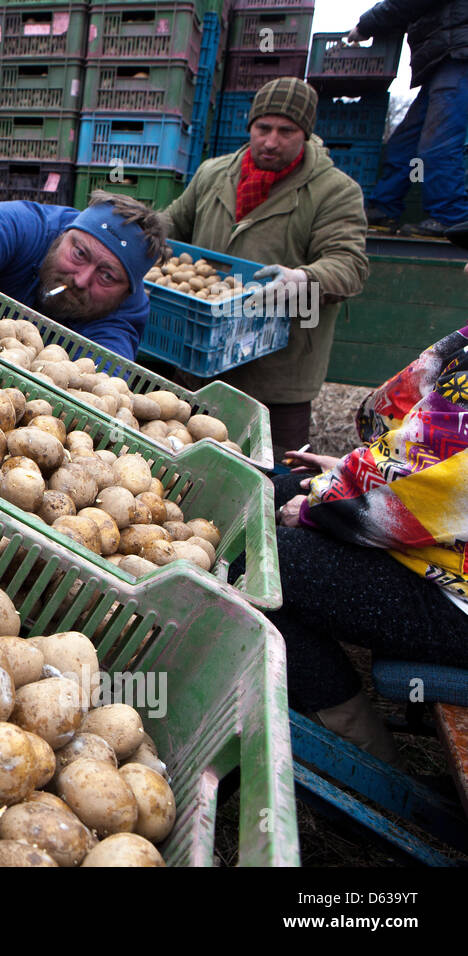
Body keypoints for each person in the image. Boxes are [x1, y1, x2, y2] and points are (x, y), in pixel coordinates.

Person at [244, 219, 468, 764]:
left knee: (273, 565)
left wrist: (327, 506)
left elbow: (441, 484)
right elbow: (403, 429)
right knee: (272, 491)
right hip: (449, 550)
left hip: (457, 595)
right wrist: (347, 473)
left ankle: (365, 762)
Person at [163, 77, 370, 462]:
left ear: (306, 134)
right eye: (263, 128)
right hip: (200, 359)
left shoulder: (335, 191)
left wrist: (305, 279)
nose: (271, 141)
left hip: (277, 372)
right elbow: (173, 222)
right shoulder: (214, 173)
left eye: (286, 131)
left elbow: (350, 264)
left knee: (271, 470)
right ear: (250, 126)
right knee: (180, 456)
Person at [0, 191, 168, 361]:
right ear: (63, 235)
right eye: (79, 253)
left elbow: (108, 378)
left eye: (107, 276)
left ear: (126, 292)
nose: (81, 280)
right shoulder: (31, 227)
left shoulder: (124, 313)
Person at [347, 0, 468, 238]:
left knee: (438, 144)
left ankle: (451, 218)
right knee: (405, 142)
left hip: (459, 57)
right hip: (443, 59)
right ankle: (385, 208)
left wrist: (365, 26)